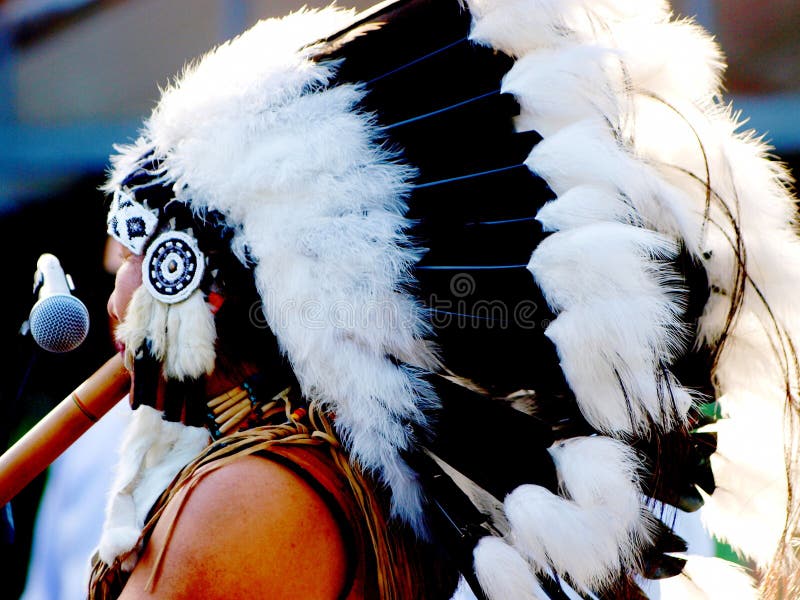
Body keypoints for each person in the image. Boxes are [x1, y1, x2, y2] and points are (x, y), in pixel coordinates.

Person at [82, 1, 800, 599]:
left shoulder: (250, 500)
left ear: (195, 283)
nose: (114, 292)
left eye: (136, 248)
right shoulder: (300, 469)